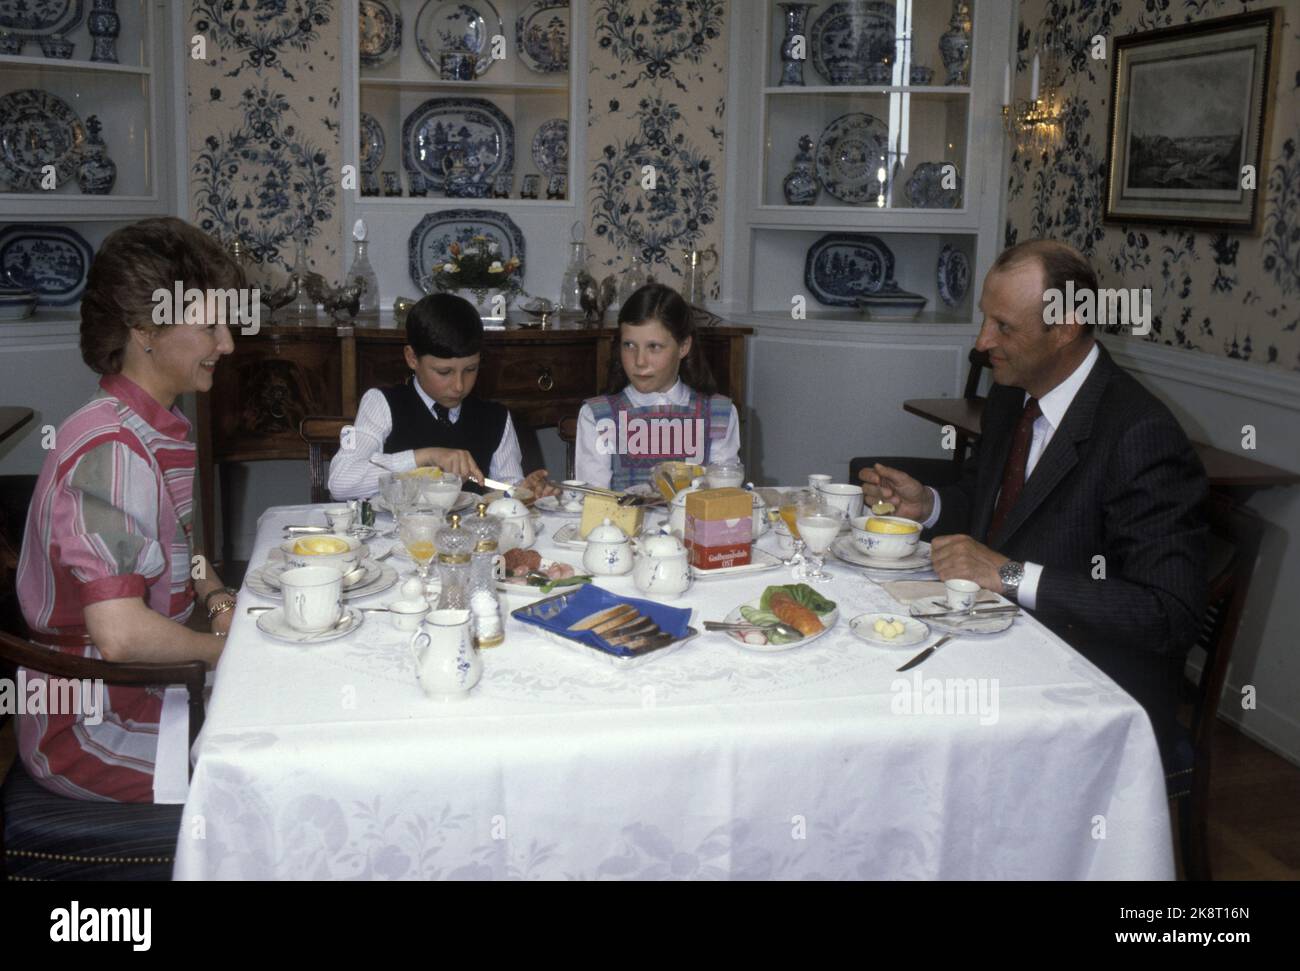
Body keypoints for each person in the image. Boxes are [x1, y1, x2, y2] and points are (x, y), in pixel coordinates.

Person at [860, 239, 1207, 763]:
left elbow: (1168, 613)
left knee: (901, 734)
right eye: (985, 320)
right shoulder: (1013, 394)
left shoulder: (1140, 433)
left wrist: (1012, 575)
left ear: (1065, 328)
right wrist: (927, 505)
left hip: (1089, 688)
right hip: (994, 642)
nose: (982, 342)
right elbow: (991, 503)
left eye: (1004, 327)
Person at [16, 217, 239, 802]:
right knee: (272, 776)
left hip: (136, 684)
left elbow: (180, 550)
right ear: (145, 329)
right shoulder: (111, 448)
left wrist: (217, 598)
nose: (228, 343)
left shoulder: (153, 424)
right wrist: (230, 652)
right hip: (88, 722)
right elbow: (118, 634)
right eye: (210, 323)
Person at [328, 292, 558, 499]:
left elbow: (506, 487)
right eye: (444, 372)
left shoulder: (494, 418)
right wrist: (424, 458)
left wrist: (525, 492)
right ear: (412, 358)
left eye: (470, 369)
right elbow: (341, 483)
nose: (459, 386)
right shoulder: (382, 404)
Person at [574, 283, 740, 489]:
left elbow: (724, 497)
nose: (640, 361)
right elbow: (593, 500)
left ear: (683, 346)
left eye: (654, 347)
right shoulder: (598, 417)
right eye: (629, 345)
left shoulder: (719, 415)